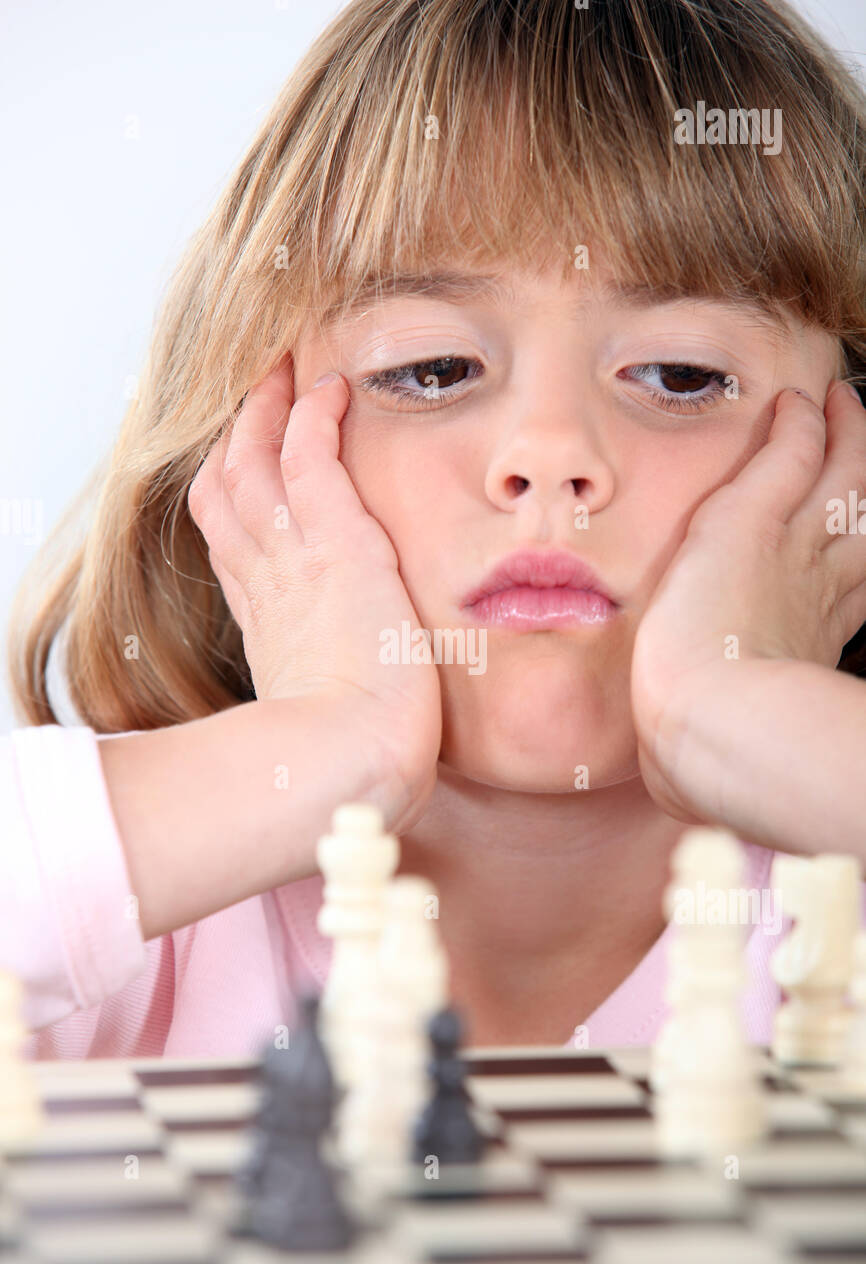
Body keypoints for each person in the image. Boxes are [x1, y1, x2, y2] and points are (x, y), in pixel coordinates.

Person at [5, 0, 866, 1059]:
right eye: (430, 369)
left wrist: (750, 715)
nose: (549, 453)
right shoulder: (144, 901)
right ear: (250, 443)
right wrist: (333, 738)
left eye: (682, 374)